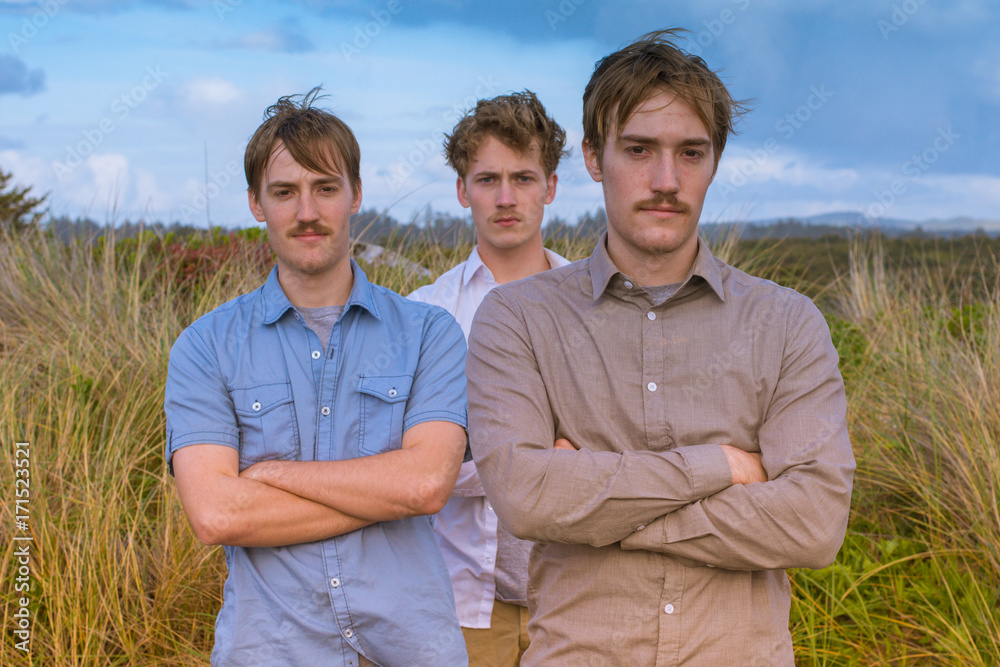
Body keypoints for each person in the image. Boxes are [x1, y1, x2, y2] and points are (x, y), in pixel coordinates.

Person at [464, 30, 856, 665]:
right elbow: (523, 495)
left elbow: (813, 524)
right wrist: (720, 467)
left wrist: (606, 512)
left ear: (716, 161)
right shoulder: (517, 319)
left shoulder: (787, 323)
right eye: (640, 149)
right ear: (594, 157)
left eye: (691, 152)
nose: (667, 180)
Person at [164, 87, 469, 667]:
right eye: (285, 192)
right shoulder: (205, 347)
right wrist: (388, 493)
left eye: (325, 188)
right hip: (271, 650)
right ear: (256, 203)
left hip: (411, 649)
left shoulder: (431, 334)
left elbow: (427, 484)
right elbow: (218, 515)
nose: (307, 212)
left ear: (355, 194)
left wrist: (274, 475)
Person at [408, 90, 569, 666]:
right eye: (487, 179)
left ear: (550, 187)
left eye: (524, 178)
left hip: (578, 595)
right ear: (461, 190)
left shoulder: (596, 307)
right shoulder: (425, 316)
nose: (506, 198)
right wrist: (535, 458)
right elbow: (412, 469)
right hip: (464, 604)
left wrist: (476, 449)